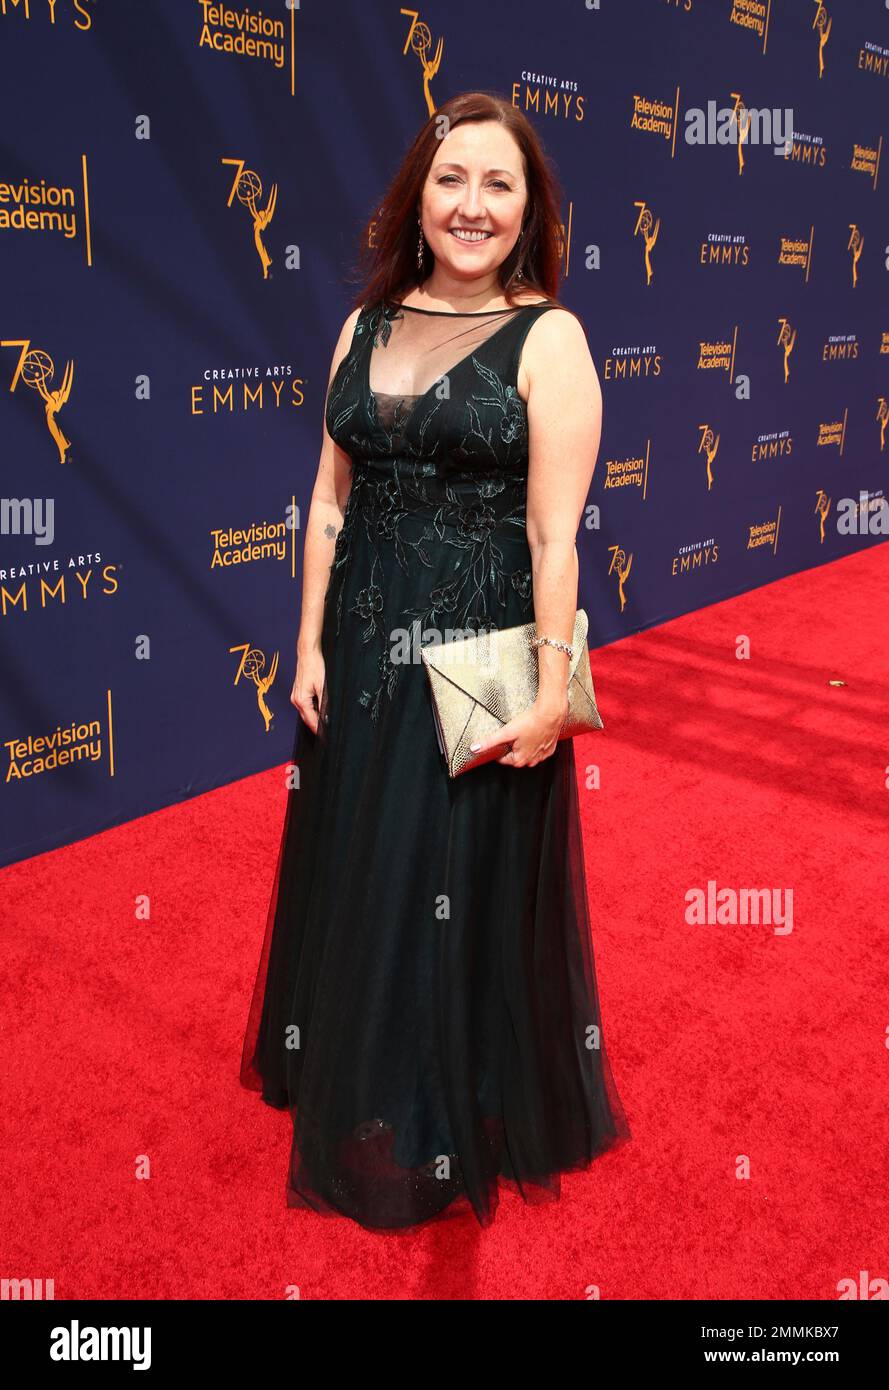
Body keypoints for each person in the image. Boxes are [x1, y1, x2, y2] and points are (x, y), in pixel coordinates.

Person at [240, 91, 631, 1232]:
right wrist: (308, 637)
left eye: (498, 184)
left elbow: (557, 535)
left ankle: (442, 1099)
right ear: (418, 192)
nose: (471, 204)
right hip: (362, 639)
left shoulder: (547, 336)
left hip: (477, 654)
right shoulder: (361, 325)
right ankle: (353, 1066)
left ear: (529, 210)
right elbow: (326, 499)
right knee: (365, 857)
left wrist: (554, 689)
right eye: (451, 178)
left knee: (448, 875)